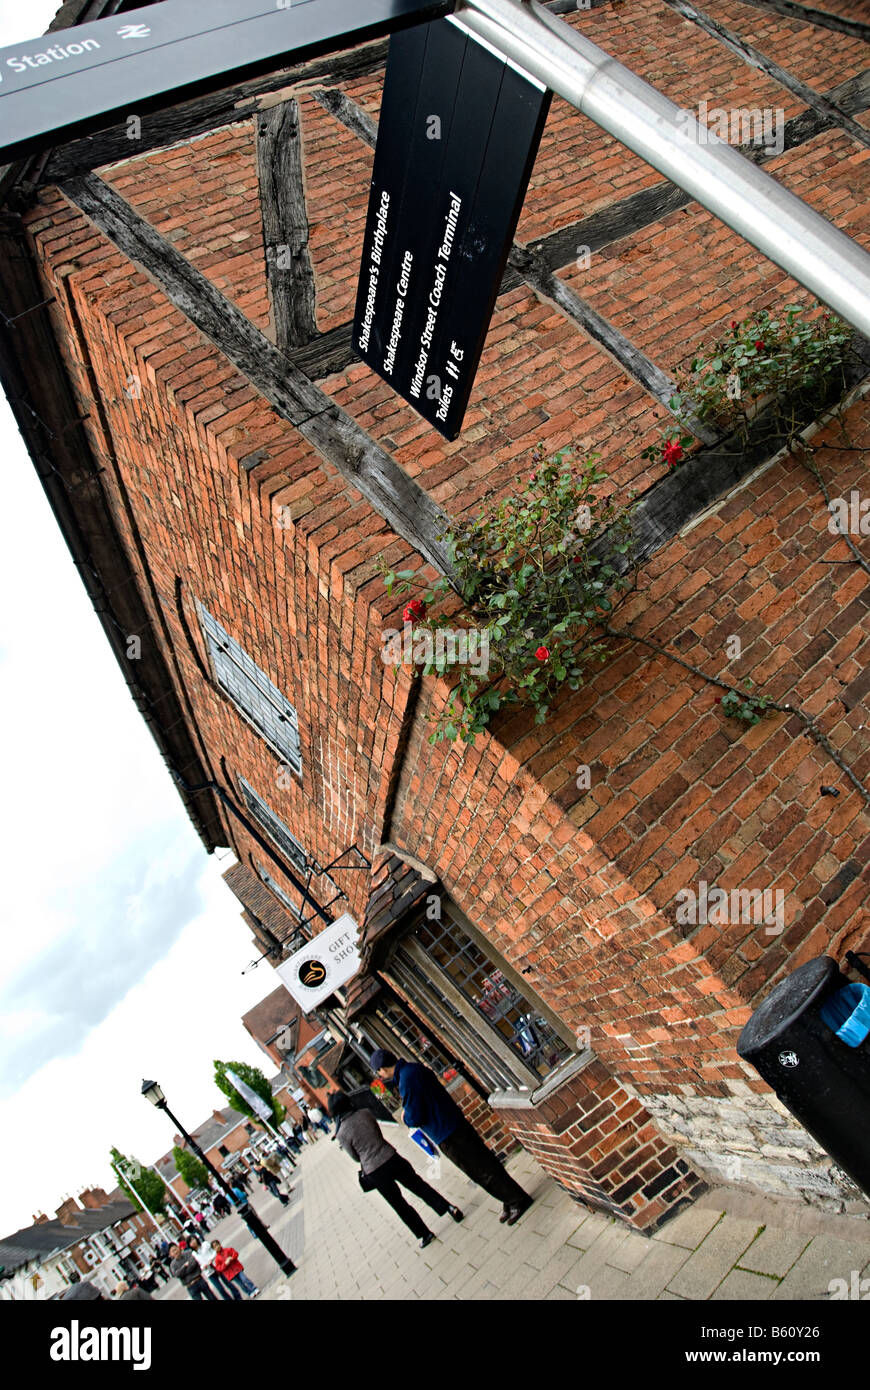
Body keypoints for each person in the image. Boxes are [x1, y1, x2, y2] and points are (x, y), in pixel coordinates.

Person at [370, 1048, 533, 1226]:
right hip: (452, 1122)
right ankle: (508, 1198)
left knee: (479, 1169)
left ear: (382, 1069)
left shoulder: (406, 1080)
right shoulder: (412, 1069)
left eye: (378, 1071)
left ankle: (516, 1199)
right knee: (484, 1162)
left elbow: (415, 1116)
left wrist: (405, 1117)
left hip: (445, 1131)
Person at [329, 1091, 463, 1249]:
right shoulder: (365, 1113)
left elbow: (356, 1157)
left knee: (399, 1204)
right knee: (419, 1186)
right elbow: (378, 1134)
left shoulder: (341, 1133)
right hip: (391, 1157)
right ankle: (448, 1207)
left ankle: (424, 1233)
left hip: (375, 1171)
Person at [190, 1234, 240, 1301]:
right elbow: (198, 1265)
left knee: (228, 1283)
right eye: (190, 1241)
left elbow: (215, 1252)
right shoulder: (193, 1254)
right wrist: (203, 1267)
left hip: (217, 1266)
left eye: (193, 1239)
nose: (193, 1242)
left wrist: (211, 1259)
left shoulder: (205, 1244)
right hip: (209, 1272)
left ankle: (237, 1296)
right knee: (220, 1289)